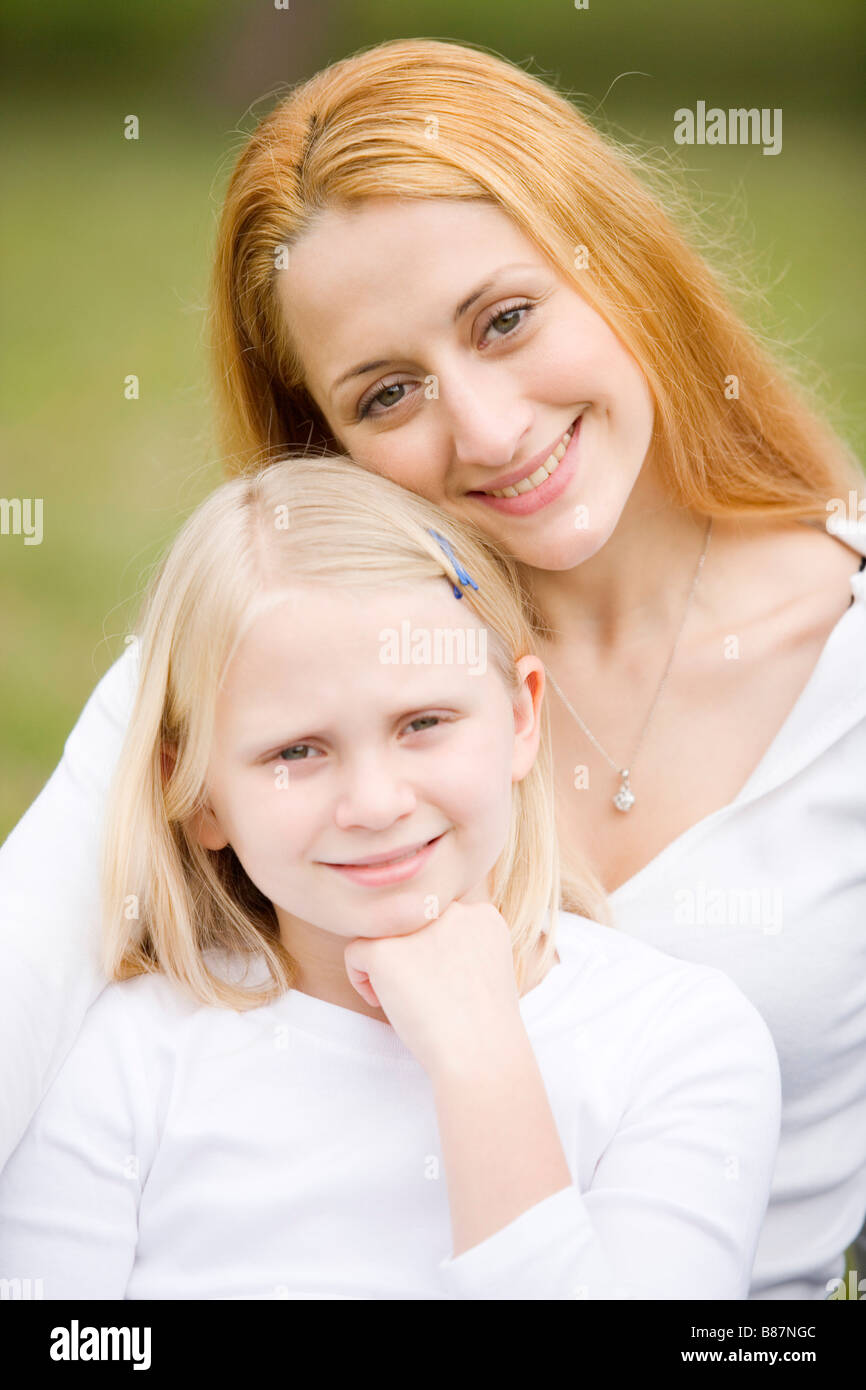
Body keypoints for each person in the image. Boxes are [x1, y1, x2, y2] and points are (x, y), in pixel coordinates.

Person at [0, 37, 862, 1299]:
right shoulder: (252, 673)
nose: (492, 428)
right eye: (387, 393)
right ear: (325, 445)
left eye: (505, 319)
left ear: (610, 258)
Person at [0, 458, 780, 1300]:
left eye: (423, 723)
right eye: (296, 751)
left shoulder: (678, 1043)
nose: (374, 803)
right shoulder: (127, 1057)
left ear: (521, 718)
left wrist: (480, 1061)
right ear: (197, 794)